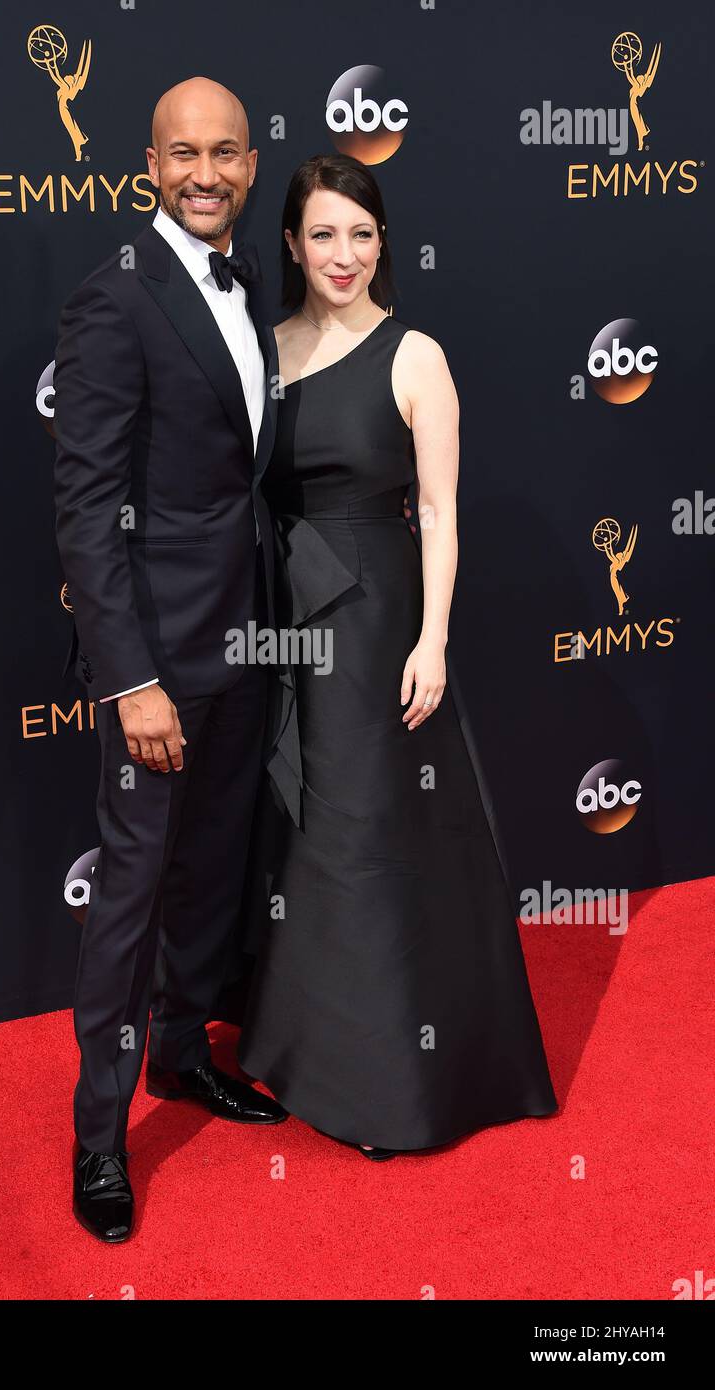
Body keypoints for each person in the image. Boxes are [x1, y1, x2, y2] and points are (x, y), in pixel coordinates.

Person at [237, 154, 559, 1159]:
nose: (342, 253)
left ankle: (390, 1087)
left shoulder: (413, 354)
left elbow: (438, 513)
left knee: (367, 841)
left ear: (383, 242)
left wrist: (432, 639)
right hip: (283, 622)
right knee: (296, 832)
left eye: (360, 233)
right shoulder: (261, 349)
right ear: (289, 244)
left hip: (377, 629)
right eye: (321, 234)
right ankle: (291, 1049)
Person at [53, 76, 287, 1245]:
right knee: (132, 894)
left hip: (247, 642)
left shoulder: (246, 287)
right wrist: (130, 678)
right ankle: (99, 1139)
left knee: (211, 871)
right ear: (148, 163)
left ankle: (180, 1056)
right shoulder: (117, 300)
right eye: (182, 153)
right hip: (158, 663)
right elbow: (87, 508)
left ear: (252, 164)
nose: (205, 173)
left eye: (226, 154)